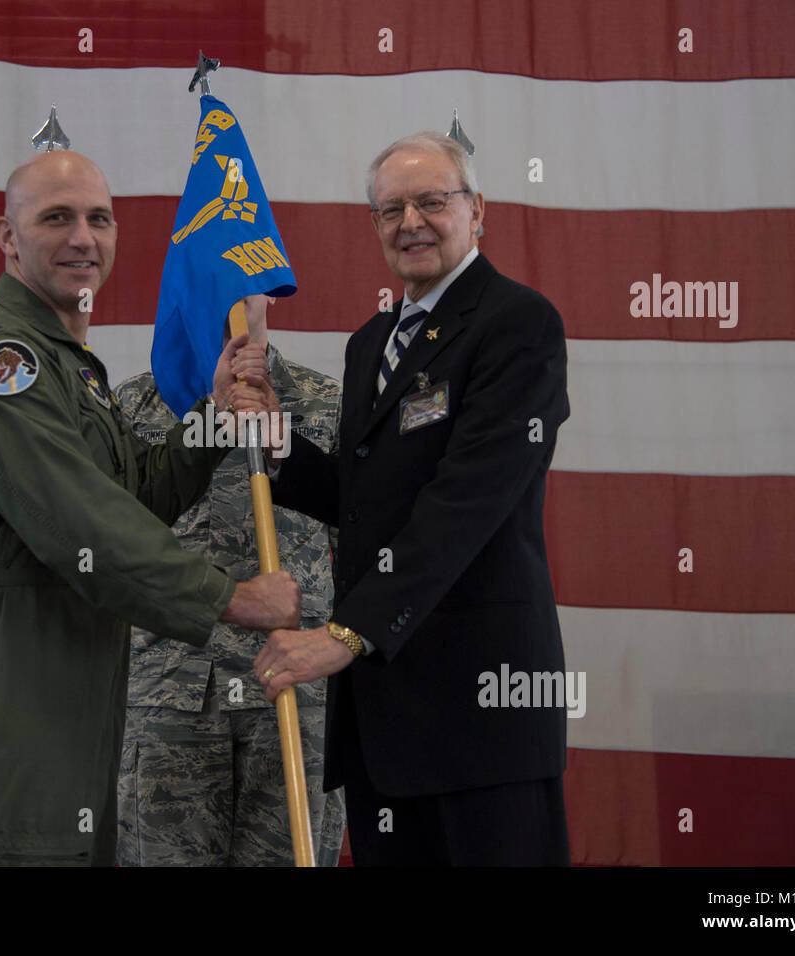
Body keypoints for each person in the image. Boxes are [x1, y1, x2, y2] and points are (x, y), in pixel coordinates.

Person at [0, 150, 300, 866]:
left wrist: (215, 414)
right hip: (5, 692)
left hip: (62, 693)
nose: (84, 237)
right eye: (57, 218)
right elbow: (81, 523)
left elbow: (133, 494)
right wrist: (230, 598)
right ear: (7, 237)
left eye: (99, 219)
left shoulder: (67, 362)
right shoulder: (2, 365)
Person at [248, 130, 571, 866]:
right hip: (386, 718)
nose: (411, 223)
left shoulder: (517, 324)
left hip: (481, 710)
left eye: (432, 201)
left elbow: (464, 505)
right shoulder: (371, 343)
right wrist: (272, 435)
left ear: (477, 209)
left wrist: (342, 635)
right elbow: (361, 501)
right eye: (390, 209)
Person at [114, 295, 346, 867]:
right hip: (167, 700)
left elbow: (364, 550)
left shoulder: (326, 401)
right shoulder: (134, 404)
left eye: (243, 276)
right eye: (208, 273)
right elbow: (108, 550)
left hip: (295, 697)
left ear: (271, 287)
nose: (226, 288)